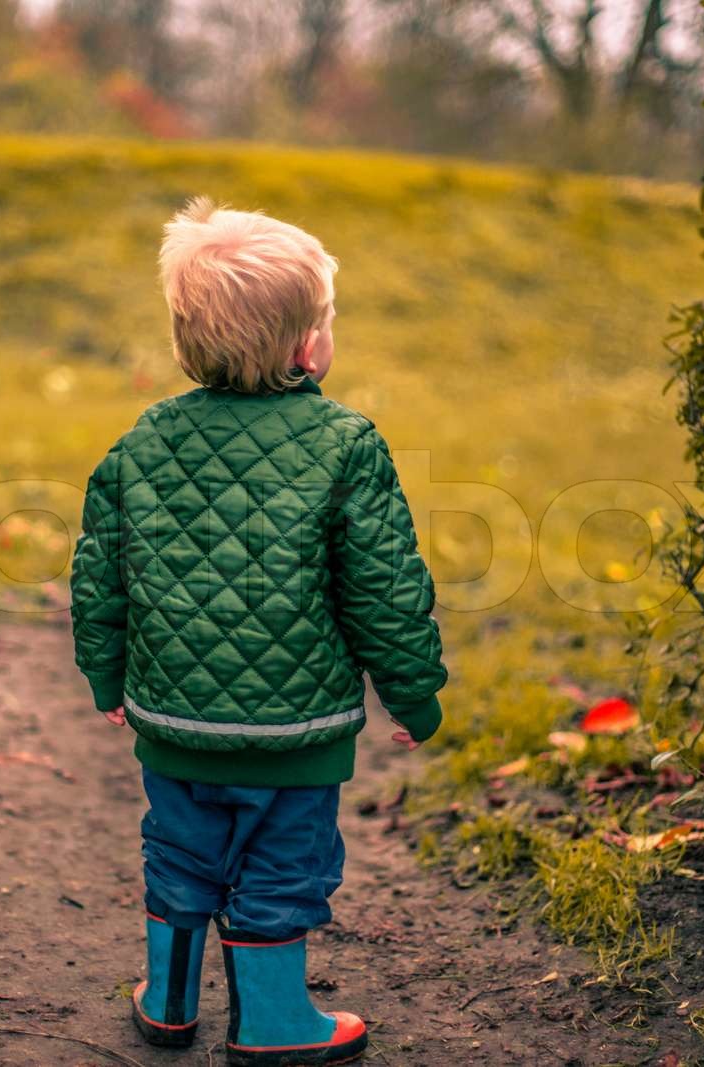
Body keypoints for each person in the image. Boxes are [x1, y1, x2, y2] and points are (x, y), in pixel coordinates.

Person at [69, 196, 446, 1066]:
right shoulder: (347, 443)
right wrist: (414, 692)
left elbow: (100, 576)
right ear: (306, 346)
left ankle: (167, 1003)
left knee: (179, 851)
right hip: (295, 735)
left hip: (177, 727)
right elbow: (383, 588)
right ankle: (274, 1023)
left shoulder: (144, 439)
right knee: (283, 870)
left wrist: (106, 677)